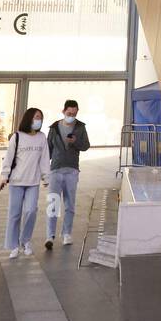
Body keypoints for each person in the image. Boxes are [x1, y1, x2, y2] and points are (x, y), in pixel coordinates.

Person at [0, 108, 50, 258]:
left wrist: (46, 177)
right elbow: (8, 157)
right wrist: (4, 175)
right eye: (36, 117)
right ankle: (13, 245)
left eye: (40, 118)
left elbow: (44, 159)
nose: (38, 120)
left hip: (33, 182)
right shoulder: (16, 136)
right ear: (29, 118)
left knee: (31, 211)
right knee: (14, 214)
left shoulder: (42, 137)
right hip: (16, 181)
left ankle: (25, 240)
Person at [45, 101, 90, 251]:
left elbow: (85, 146)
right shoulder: (54, 128)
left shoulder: (80, 127)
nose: (71, 116)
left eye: (74, 114)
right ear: (63, 111)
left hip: (72, 170)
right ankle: (50, 235)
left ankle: (66, 234)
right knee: (53, 203)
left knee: (70, 204)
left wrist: (76, 142)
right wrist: (45, 171)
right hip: (56, 169)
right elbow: (48, 150)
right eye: (69, 113)